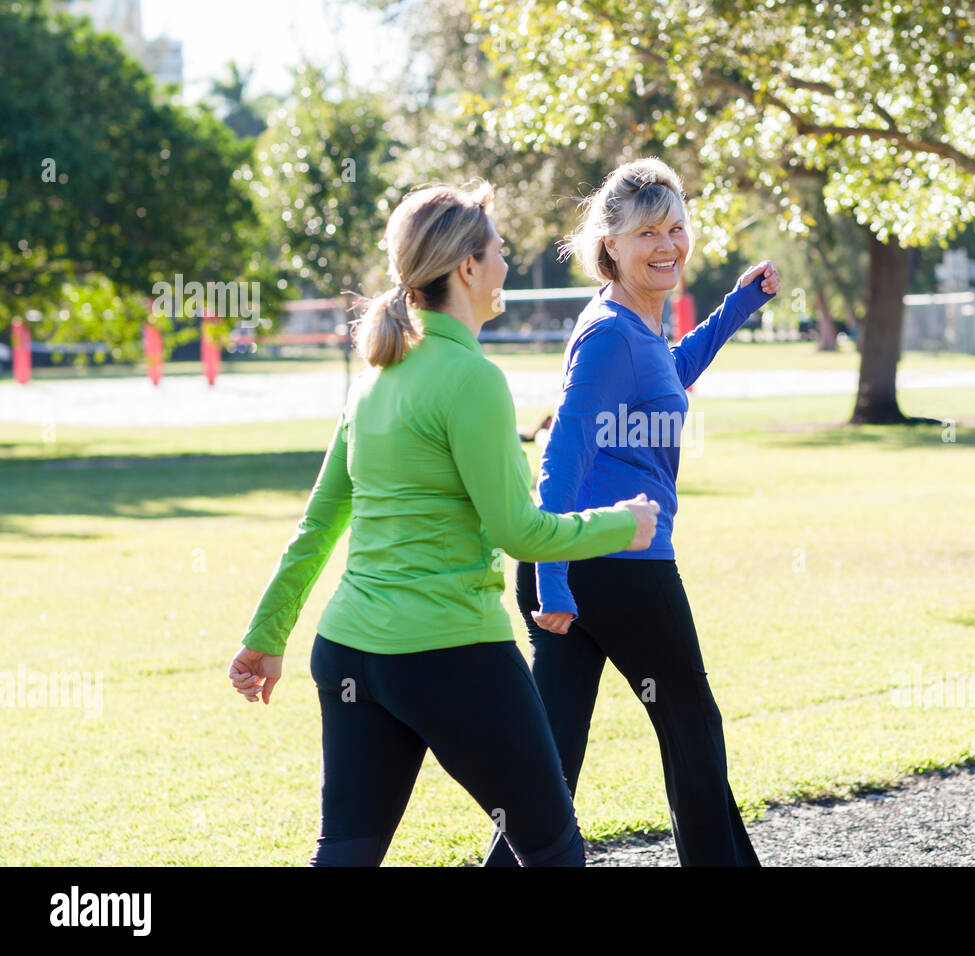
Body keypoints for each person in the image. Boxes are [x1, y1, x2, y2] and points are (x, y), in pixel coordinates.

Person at [227, 180, 661, 867]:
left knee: (344, 853)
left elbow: (318, 525)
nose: (507, 265)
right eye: (499, 252)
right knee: (553, 851)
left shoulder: (375, 376)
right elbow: (521, 533)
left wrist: (266, 634)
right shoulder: (472, 379)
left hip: (350, 653)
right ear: (466, 267)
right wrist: (621, 525)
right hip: (452, 654)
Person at [483, 158, 779, 867]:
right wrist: (554, 583)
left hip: (582, 568)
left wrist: (735, 309)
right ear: (610, 243)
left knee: (549, 767)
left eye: (676, 228)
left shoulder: (633, 327)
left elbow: (665, 379)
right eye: (648, 232)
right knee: (692, 729)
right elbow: (562, 455)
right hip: (612, 565)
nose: (668, 245)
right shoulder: (613, 332)